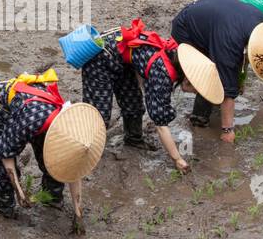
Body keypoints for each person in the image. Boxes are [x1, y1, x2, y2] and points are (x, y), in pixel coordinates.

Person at [0, 71, 106, 232]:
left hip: (38, 113)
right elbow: (6, 153)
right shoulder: (30, 122)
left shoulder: (72, 129)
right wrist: (19, 190)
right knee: (1, 165)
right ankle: (5, 208)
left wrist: (78, 213)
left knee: (55, 163)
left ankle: (52, 199)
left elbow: (73, 172)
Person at [78, 18, 199, 173]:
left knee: (134, 106)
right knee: (99, 115)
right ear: (188, 79)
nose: (195, 93)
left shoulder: (175, 56)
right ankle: (84, 153)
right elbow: (161, 125)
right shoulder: (162, 74)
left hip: (123, 60)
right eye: (196, 90)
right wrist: (178, 159)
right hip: (101, 57)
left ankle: (133, 139)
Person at [170, 0, 263, 138]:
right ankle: (198, 117)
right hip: (187, 28)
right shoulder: (230, 42)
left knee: (225, 76)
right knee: (212, 74)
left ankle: (207, 99)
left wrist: (240, 81)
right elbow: (228, 91)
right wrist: (227, 130)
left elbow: (247, 55)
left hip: (215, 21)